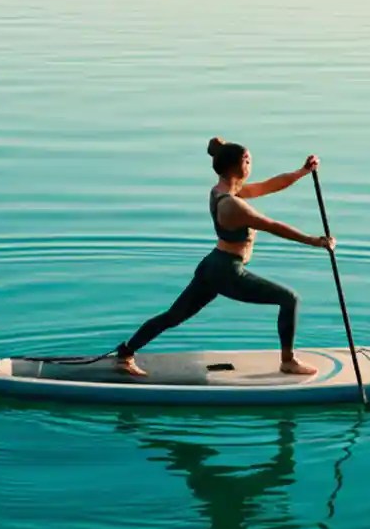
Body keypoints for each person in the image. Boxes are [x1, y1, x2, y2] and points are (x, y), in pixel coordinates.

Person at [113, 138, 334, 377]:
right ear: (236, 166)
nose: (251, 165)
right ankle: (288, 361)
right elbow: (272, 226)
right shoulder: (232, 205)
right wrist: (315, 241)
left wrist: (302, 171)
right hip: (228, 271)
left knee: (173, 316)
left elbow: (269, 186)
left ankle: (126, 351)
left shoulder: (222, 191)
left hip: (212, 265)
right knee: (289, 299)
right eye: (247, 160)